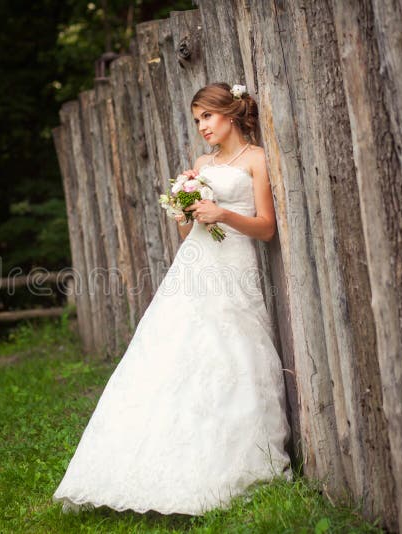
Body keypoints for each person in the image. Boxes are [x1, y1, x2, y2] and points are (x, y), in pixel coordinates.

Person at [52, 82, 290, 515]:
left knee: (232, 354)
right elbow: (190, 232)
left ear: (231, 113)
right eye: (197, 118)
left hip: (235, 268)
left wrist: (223, 214)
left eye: (208, 116)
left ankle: (241, 456)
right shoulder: (201, 164)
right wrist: (185, 210)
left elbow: (266, 227)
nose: (202, 126)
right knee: (175, 352)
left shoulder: (255, 159)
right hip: (194, 266)